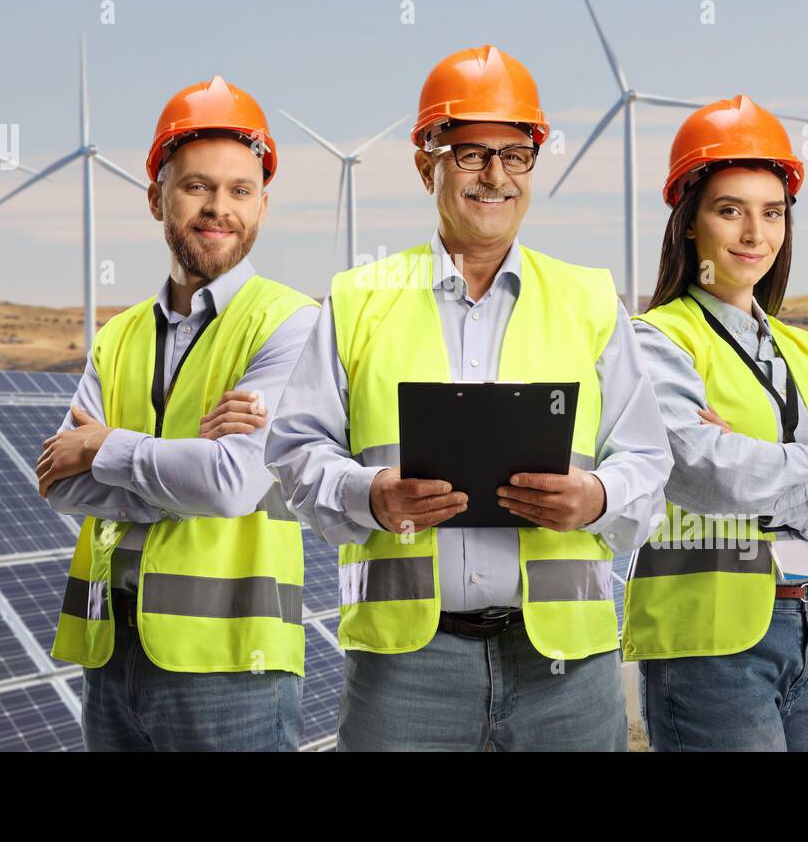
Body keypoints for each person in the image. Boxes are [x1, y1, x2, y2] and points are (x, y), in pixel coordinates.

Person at [266, 44, 673, 751]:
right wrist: (370, 495)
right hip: (404, 672)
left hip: (566, 671)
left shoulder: (589, 300)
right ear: (427, 164)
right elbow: (294, 454)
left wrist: (598, 498)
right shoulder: (358, 298)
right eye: (469, 154)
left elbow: (647, 457)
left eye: (515, 155)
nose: (495, 176)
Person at [37, 77, 318, 751]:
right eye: (196, 186)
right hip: (111, 653)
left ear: (262, 204)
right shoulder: (120, 335)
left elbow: (229, 484)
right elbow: (57, 479)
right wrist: (176, 471)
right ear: (156, 196)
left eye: (239, 190)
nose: (218, 207)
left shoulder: (290, 324)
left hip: (232, 667)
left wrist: (108, 449)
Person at [624, 94, 808, 751]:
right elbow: (711, 478)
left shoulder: (805, 351)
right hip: (710, 640)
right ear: (690, 221)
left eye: (772, 213)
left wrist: (765, 481)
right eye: (730, 211)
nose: (755, 235)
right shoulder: (657, 340)